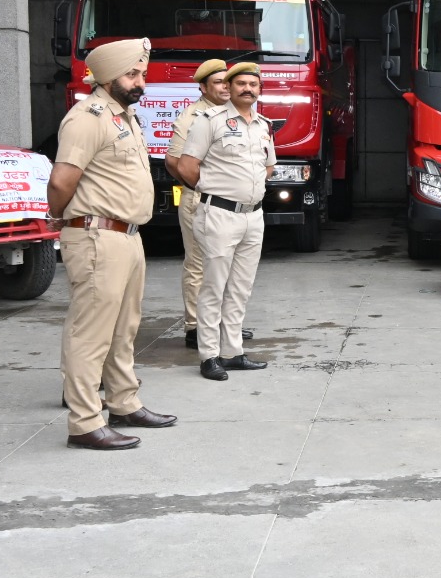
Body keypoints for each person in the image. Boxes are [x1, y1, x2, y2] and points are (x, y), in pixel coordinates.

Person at [49, 38, 179, 449]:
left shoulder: (125, 117)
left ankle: (123, 402)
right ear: (107, 77)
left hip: (126, 235)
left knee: (124, 329)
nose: (141, 81)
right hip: (96, 235)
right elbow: (61, 182)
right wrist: (68, 220)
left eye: (142, 73)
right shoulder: (88, 118)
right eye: (132, 74)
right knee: (91, 333)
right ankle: (85, 421)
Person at [180, 62, 274, 380]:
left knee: (241, 288)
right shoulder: (210, 121)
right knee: (214, 288)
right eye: (241, 84)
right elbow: (187, 165)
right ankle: (209, 355)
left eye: (253, 84)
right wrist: (214, 192)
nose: (248, 88)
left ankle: (232, 352)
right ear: (229, 88)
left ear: (259, 89)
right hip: (219, 214)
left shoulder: (263, 124)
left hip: (253, 215)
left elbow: (268, 168)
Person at [165, 58, 231, 350]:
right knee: (198, 266)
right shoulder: (192, 116)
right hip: (200, 199)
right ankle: (195, 328)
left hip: (229, 202)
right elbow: (173, 161)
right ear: (203, 87)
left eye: (227, 80)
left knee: (225, 265)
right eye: (218, 82)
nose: (225, 86)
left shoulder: (233, 113)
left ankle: (220, 324)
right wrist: (200, 186)